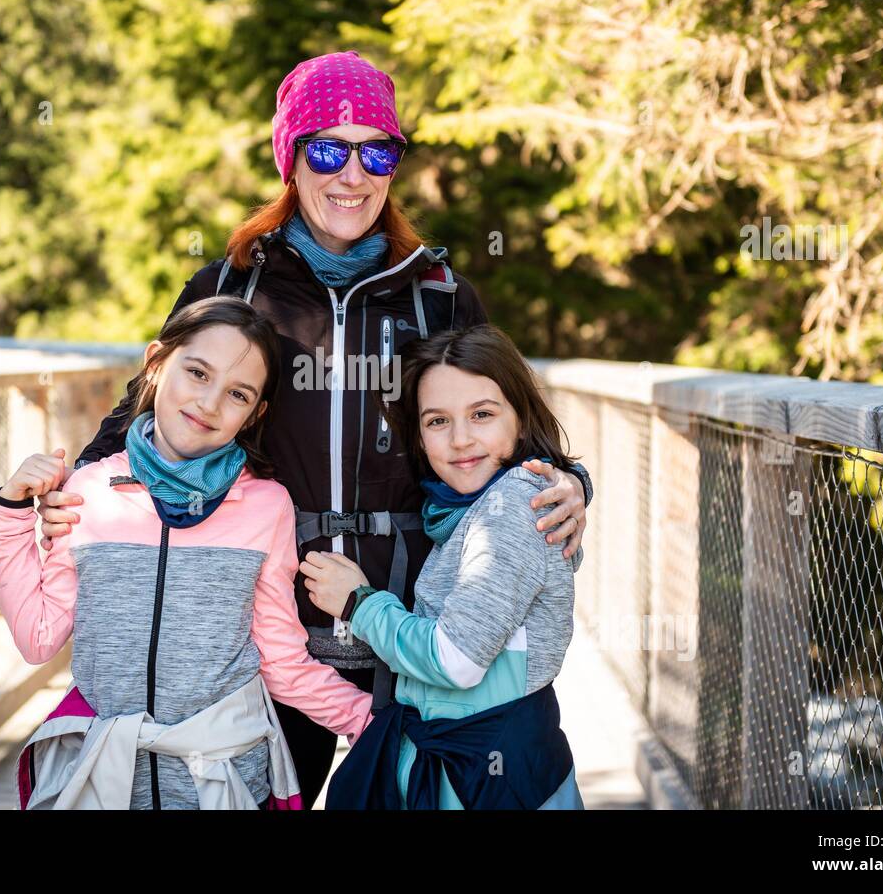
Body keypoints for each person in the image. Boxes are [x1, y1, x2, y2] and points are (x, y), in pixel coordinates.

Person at [34, 50, 594, 805]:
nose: (352, 174)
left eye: (377, 151)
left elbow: (506, 426)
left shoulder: (435, 296)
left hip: (408, 621)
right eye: (328, 149)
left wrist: (570, 482)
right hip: (261, 632)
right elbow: (150, 407)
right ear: (291, 159)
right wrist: (61, 489)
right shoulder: (234, 284)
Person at [0, 296, 374, 809]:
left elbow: (281, 662)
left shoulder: (266, 506)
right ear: (156, 364)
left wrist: (376, 722)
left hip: (223, 785)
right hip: (103, 782)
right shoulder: (89, 491)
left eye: (237, 394)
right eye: (196, 372)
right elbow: (37, 638)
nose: (209, 404)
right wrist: (9, 514)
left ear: (256, 413)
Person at [304, 324, 585, 809]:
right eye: (437, 421)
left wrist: (359, 603)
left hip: (489, 783)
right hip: (475, 773)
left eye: (482, 414)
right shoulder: (467, 507)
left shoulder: (512, 507)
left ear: (521, 418)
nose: (460, 440)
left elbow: (457, 659)